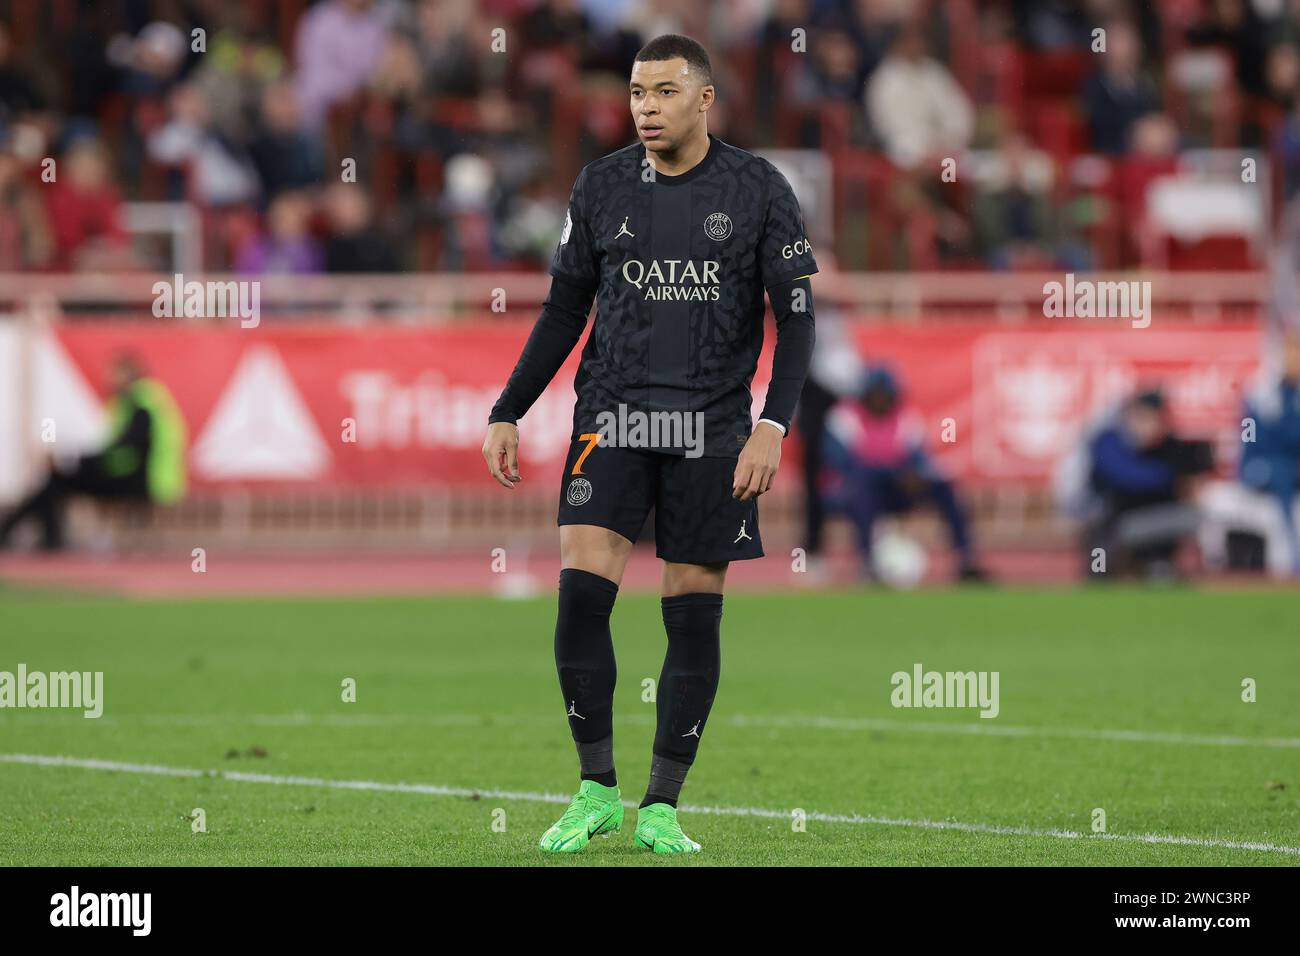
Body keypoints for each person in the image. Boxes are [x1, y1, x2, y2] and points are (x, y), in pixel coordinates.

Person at [481, 35, 816, 855]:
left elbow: (799, 321)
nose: (646, 108)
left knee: (691, 617)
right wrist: (508, 408)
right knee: (581, 594)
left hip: (712, 427)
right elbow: (565, 311)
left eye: (664, 92)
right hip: (614, 417)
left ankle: (661, 804)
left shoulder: (759, 188)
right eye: (637, 93)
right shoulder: (600, 185)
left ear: (705, 98)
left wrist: (773, 425)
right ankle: (596, 789)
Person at [0, 354, 187, 551]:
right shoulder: (144, 399)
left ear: (129, 374)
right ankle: (47, 537)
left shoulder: (140, 405)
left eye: (115, 374)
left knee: (58, 479)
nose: (109, 379)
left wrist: (76, 461)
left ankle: (31, 535)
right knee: (58, 480)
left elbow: (125, 450)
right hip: (141, 475)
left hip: (146, 480)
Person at [821, 365, 987, 582]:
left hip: (896, 489)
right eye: (876, 395)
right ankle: (868, 564)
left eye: (886, 395)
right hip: (851, 492)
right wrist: (892, 472)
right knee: (864, 487)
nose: (881, 401)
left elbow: (919, 458)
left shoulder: (906, 418)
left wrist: (916, 475)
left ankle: (966, 559)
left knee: (944, 487)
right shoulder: (843, 419)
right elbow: (842, 464)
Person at [1079, 388, 1213, 580]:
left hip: (1152, 524)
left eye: (1153, 419)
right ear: (1130, 415)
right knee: (1099, 572)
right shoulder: (1109, 440)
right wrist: (1171, 475)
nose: (1148, 425)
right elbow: (1127, 477)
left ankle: (1156, 566)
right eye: (1142, 417)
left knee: (1188, 517)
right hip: (1110, 524)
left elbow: (1197, 471)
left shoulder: (1167, 446)